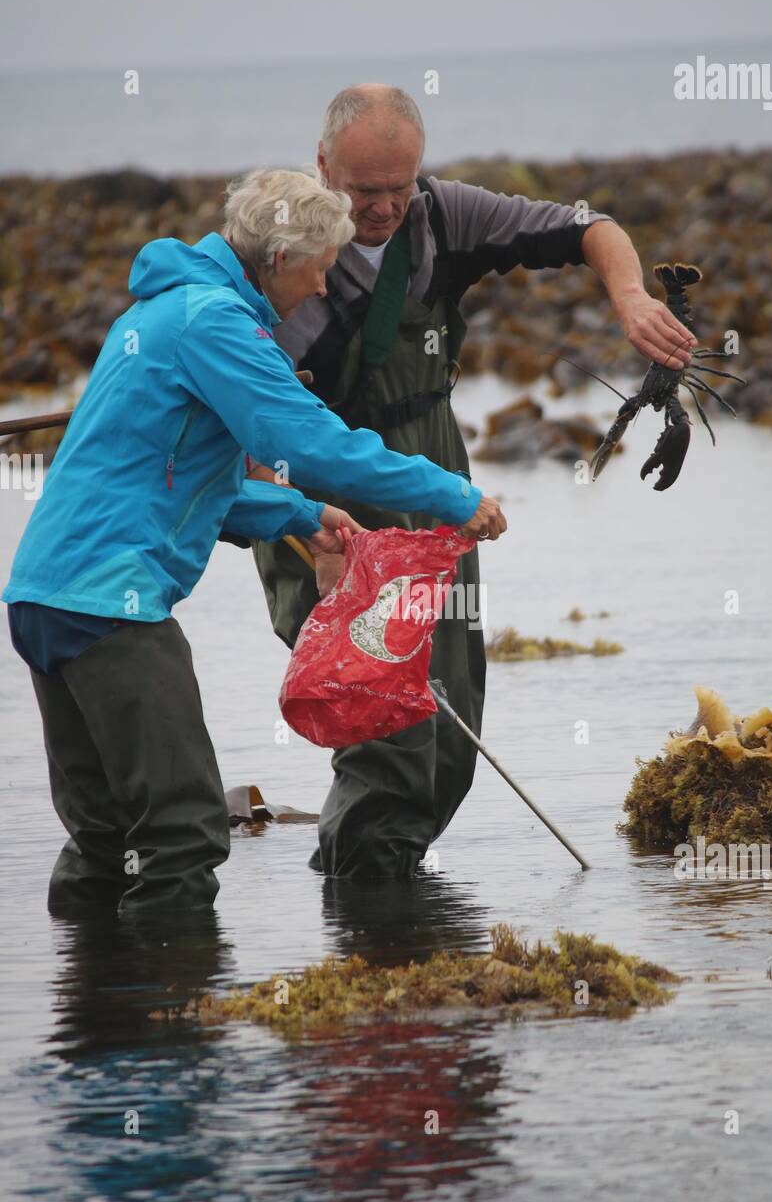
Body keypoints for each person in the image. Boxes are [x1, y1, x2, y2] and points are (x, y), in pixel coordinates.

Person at [2, 168, 506, 916]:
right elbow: (309, 441)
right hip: (112, 604)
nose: (325, 285)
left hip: (44, 598)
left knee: (109, 838)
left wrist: (300, 516)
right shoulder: (215, 322)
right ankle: (177, 1022)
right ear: (277, 260)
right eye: (321, 265)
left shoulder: (164, 309)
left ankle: (97, 1022)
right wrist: (454, 495)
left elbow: (179, 478)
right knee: (183, 834)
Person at [250, 85, 696, 881]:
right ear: (321, 167)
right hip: (319, 498)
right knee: (385, 725)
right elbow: (247, 430)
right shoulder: (280, 259)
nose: (384, 208)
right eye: (363, 192)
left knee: (448, 733)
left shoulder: (448, 217)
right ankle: (373, 928)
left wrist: (630, 298)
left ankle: (374, 904)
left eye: (400, 187)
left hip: (432, 483)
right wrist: (299, 523)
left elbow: (591, 226)